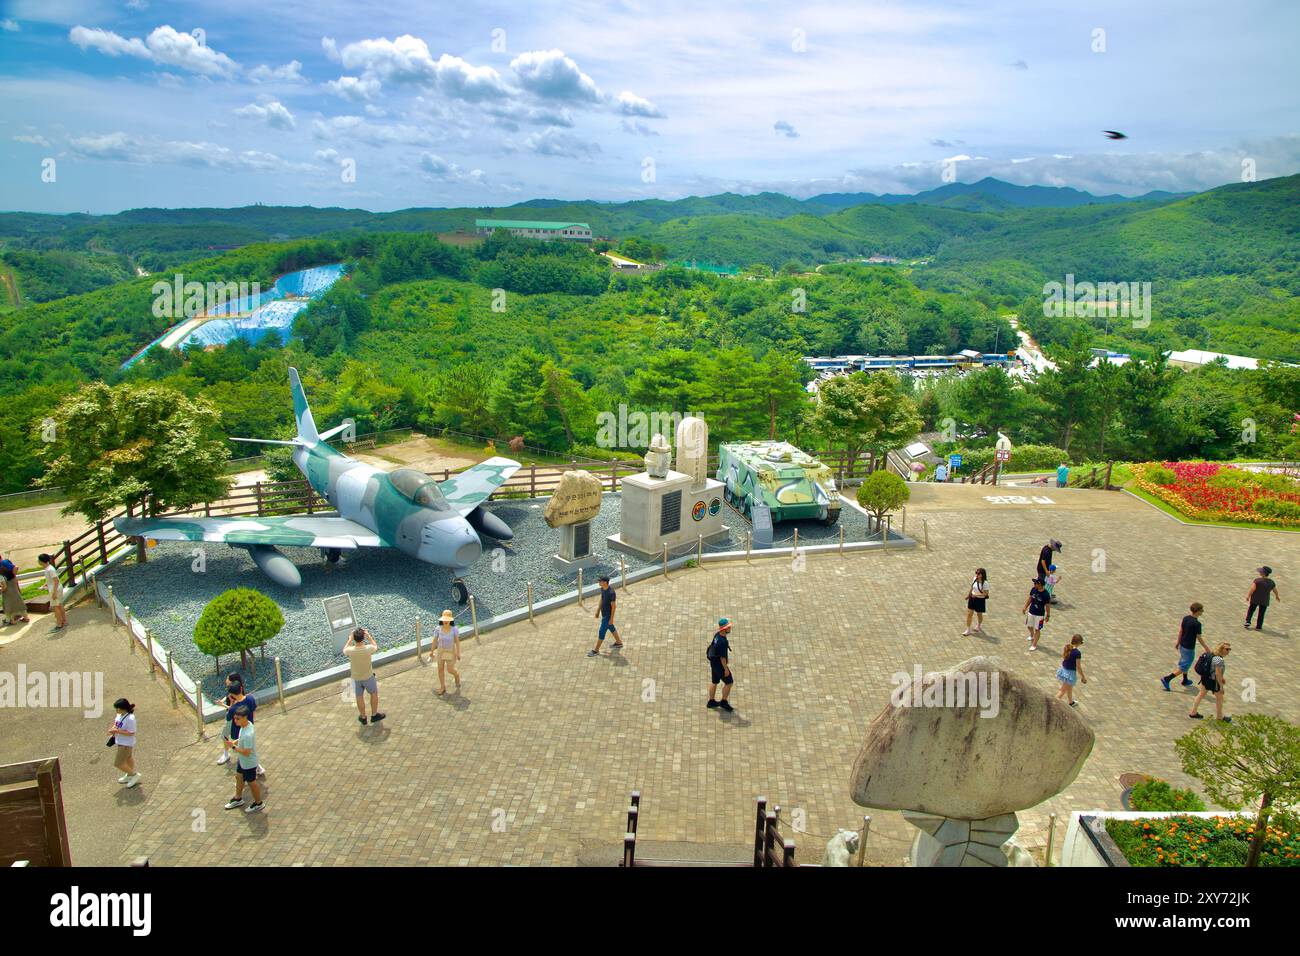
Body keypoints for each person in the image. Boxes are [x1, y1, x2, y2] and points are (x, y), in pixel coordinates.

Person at [1161, 602, 1211, 691]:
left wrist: (1178, 642)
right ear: (1197, 611)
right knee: (1184, 666)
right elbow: (1199, 637)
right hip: (1189, 647)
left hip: (1182, 645)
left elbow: (1181, 631)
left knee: (1184, 663)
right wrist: (1206, 648)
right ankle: (1167, 679)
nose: (1202, 612)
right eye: (1201, 610)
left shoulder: (1186, 618)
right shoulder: (1197, 624)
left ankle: (1185, 680)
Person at [224, 707, 265, 813]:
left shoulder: (248, 734)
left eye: (237, 718)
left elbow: (247, 752)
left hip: (249, 763)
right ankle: (238, 798)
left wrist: (233, 747)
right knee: (238, 777)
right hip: (243, 761)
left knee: (252, 783)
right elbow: (241, 739)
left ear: (244, 718)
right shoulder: (246, 726)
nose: (235, 720)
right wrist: (234, 742)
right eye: (234, 718)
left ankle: (258, 803)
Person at [222, 680, 265, 776]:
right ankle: (258, 767)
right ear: (241, 688)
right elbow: (253, 710)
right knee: (251, 748)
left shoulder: (234, 708)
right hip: (249, 726)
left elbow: (228, 718)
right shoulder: (250, 698)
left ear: (231, 695)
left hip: (238, 731)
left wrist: (232, 704)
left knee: (244, 753)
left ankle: (252, 770)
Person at [344, 627, 385, 724]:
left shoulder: (350, 650)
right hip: (368, 677)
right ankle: (374, 715)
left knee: (359, 697)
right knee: (373, 694)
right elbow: (375, 646)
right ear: (363, 637)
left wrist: (350, 639)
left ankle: (363, 717)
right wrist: (369, 636)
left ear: (354, 638)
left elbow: (344, 649)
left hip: (356, 678)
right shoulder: (368, 648)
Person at [1189, 642, 1232, 722]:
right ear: (1221, 649)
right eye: (1227, 649)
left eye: (1229, 649)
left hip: (1205, 679)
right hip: (1214, 682)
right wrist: (1221, 686)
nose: (1228, 651)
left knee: (1200, 695)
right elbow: (1217, 673)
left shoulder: (1210, 654)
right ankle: (1219, 717)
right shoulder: (1219, 659)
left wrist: (1221, 678)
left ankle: (1193, 712)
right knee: (1220, 698)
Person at [588, 575, 623, 657]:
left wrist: (611, 619)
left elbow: (614, 606)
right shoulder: (603, 589)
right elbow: (602, 599)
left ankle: (596, 650)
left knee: (601, 632)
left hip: (607, 616)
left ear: (605, 582)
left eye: (600, 581)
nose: (599, 582)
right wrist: (598, 611)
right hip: (604, 614)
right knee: (611, 628)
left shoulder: (611, 593)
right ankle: (619, 642)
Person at [109, 697, 140, 788]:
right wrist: (114, 728)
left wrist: (118, 731)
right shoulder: (120, 715)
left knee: (118, 763)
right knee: (128, 758)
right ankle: (130, 775)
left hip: (126, 743)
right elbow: (117, 723)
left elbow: (131, 732)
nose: (116, 710)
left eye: (117, 708)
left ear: (123, 708)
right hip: (121, 741)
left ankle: (133, 774)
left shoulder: (130, 718)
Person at [706, 618, 735, 712]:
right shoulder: (723, 641)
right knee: (729, 682)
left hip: (713, 664)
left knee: (714, 682)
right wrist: (725, 669)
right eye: (728, 627)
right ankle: (724, 701)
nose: (730, 628)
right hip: (720, 666)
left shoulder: (717, 635)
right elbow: (723, 658)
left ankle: (711, 701)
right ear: (724, 629)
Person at [434, 609, 461, 695]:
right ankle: (443, 687)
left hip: (450, 651)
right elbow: (434, 640)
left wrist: (458, 653)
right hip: (441, 650)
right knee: (440, 669)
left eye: (447, 619)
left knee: (450, 669)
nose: (445, 621)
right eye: (444, 619)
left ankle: (456, 675)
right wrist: (431, 651)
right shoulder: (438, 629)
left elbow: (457, 641)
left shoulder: (454, 629)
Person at [38, 553, 66, 630]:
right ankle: (64, 621)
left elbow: (56, 581)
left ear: (41, 561)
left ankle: (59, 624)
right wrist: (44, 585)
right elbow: (51, 580)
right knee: (59, 605)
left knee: (56, 607)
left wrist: (54, 593)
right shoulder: (49, 568)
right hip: (56, 588)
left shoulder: (50, 569)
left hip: (55, 589)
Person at [1245, 566, 1279, 631]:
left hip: (1255, 599)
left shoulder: (1257, 580)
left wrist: (1248, 596)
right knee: (1261, 613)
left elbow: (1252, 589)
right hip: (1264, 601)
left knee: (1251, 610)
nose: (1259, 572)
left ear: (1263, 573)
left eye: (1260, 572)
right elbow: (1275, 590)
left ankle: (1248, 621)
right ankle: (1259, 626)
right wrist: (1277, 596)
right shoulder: (1271, 582)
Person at [1055, 635, 1086, 707]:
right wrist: (1083, 677)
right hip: (1070, 674)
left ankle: (1071, 702)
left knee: (1069, 687)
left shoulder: (1067, 647)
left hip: (1063, 670)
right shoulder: (1077, 653)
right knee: (1062, 691)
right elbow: (1078, 667)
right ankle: (1052, 704)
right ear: (1078, 643)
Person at [0, 553, 29, 625]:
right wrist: (14, 576)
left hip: (7, 586)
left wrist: (1, 590)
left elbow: (16, 567)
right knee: (18, 600)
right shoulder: (6, 561)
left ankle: (12, 620)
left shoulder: (3, 563)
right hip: (12, 583)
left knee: (8, 604)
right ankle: (26, 617)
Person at [1023, 578, 1051, 650]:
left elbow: (1047, 605)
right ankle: (1032, 635)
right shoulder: (1033, 589)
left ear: (1040, 585)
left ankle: (1034, 644)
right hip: (1031, 612)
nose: (1034, 584)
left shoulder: (1046, 594)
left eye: (1035, 583)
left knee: (1037, 629)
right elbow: (1030, 599)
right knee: (1029, 626)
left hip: (1039, 615)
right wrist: (1025, 607)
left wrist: (1048, 615)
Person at [963, 568, 989, 635]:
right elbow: (972, 587)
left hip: (980, 600)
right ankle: (968, 630)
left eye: (978, 573)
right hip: (972, 598)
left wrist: (976, 595)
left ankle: (978, 625)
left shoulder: (985, 583)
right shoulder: (974, 579)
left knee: (979, 614)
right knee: (969, 614)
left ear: (982, 575)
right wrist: (969, 595)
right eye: (976, 573)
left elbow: (986, 593)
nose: (976, 574)